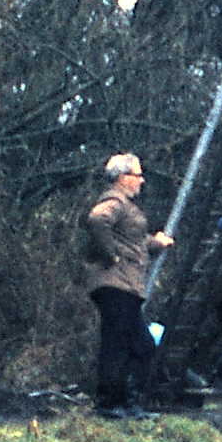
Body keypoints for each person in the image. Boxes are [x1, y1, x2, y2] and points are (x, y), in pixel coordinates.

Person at [80, 153, 174, 419]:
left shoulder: (125, 205)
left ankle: (124, 403)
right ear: (123, 178)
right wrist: (112, 255)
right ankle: (112, 404)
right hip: (116, 284)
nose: (142, 180)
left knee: (139, 344)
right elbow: (97, 220)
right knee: (121, 344)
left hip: (126, 285)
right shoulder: (115, 200)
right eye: (137, 175)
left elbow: (132, 241)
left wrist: (155, 243)